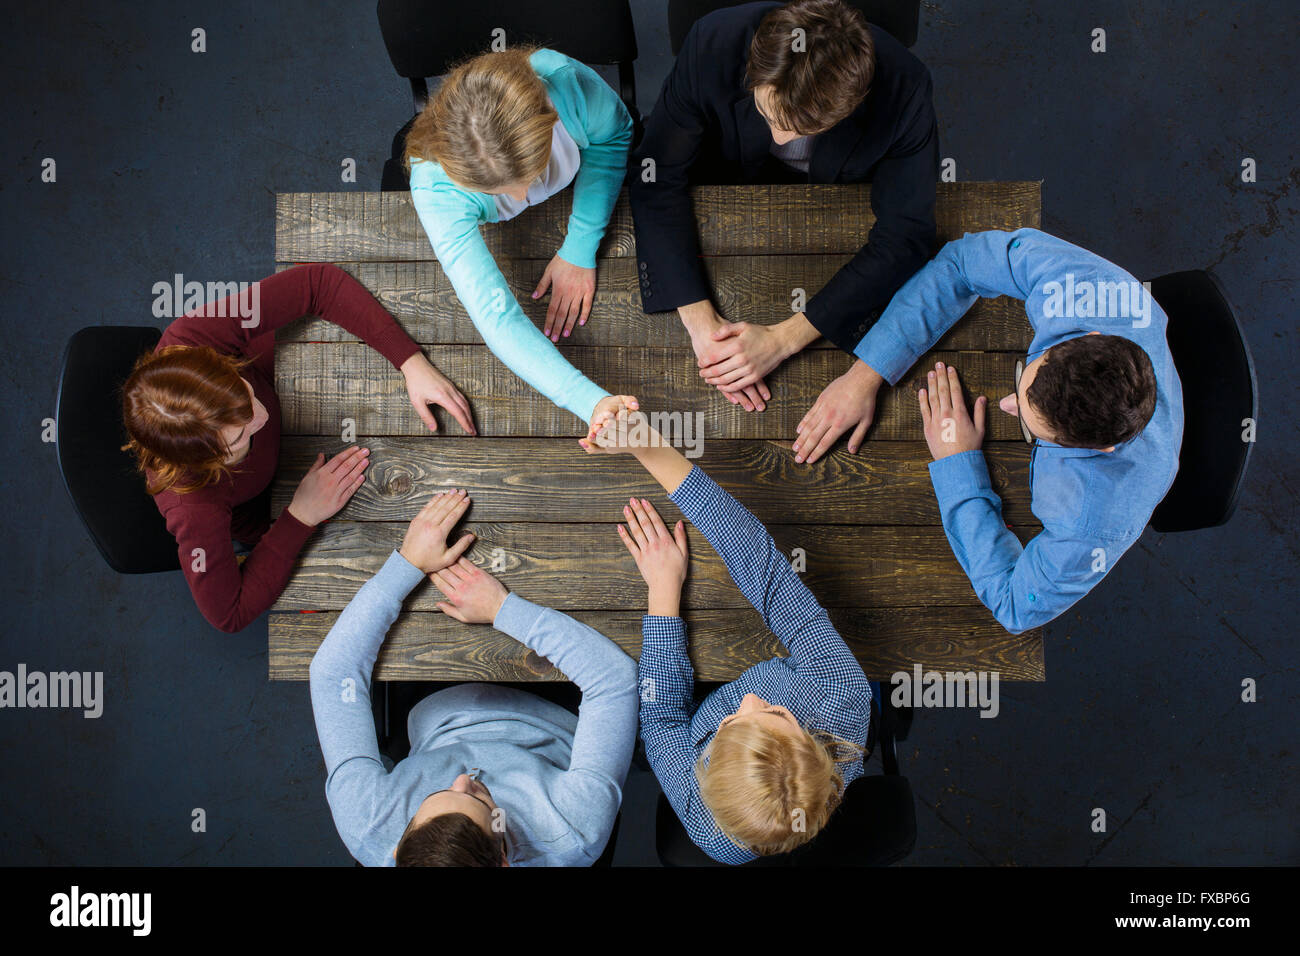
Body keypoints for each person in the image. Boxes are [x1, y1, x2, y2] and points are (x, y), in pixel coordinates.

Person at [813, 227, 1183, 632]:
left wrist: (959, 466)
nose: (1007, 404)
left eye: (1031, 428)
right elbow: (961, 262)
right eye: (1024, 379)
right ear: (1086, 335)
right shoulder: (1085, 287)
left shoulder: (1096, 522)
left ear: (1101, 450)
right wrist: (866, 374)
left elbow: (1014, 605)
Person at [121, 263, 474, 633]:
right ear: (208, 464)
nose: (259, 419)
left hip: (290, 380)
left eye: (244, 394)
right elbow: (228, 615)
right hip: (274, 502)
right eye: (239, 437)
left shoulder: (191, 339)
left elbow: (317, 283)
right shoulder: (193, 507)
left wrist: (409, 361)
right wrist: (300, 516)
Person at [582, 414, 871, 863]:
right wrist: (651, 448)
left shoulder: (710, 828)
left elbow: (661, 723)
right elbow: (767, 572)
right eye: (776, 712)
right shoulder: (841, 694)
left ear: (706, 780)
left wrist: (662, 589)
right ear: (813, 746)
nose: (751, 699)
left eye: (731, 724)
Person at [628, 0, 938, 416]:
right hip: (723, 170)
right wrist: (701, 324)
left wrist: (785, 339)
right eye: (768, 113)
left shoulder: (905, 87)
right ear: (755, 71)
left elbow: (905, 235)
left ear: (853, 102)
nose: (780, 137)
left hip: (835, 198)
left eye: (800, 128)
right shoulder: (712, 44)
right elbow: (656, 173)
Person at [309, 490, 638, 866]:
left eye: (437, 796)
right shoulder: (574, 829)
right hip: (558, 700)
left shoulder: (368, 824)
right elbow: (612, 680)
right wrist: (503, 608)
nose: (464, 779)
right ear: (502, 859)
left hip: (433, 697)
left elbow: (334, 673)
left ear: (398, 847)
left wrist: (408, 564)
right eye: (480, 800)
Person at [404, 45, 637, 436]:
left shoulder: (566, 84)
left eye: (531, 174)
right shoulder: (433, 187)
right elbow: (497, 317)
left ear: (550, 122)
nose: (520, 198)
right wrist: (589, 401)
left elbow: (613, 138)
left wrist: (581, 244)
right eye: (497, 189)